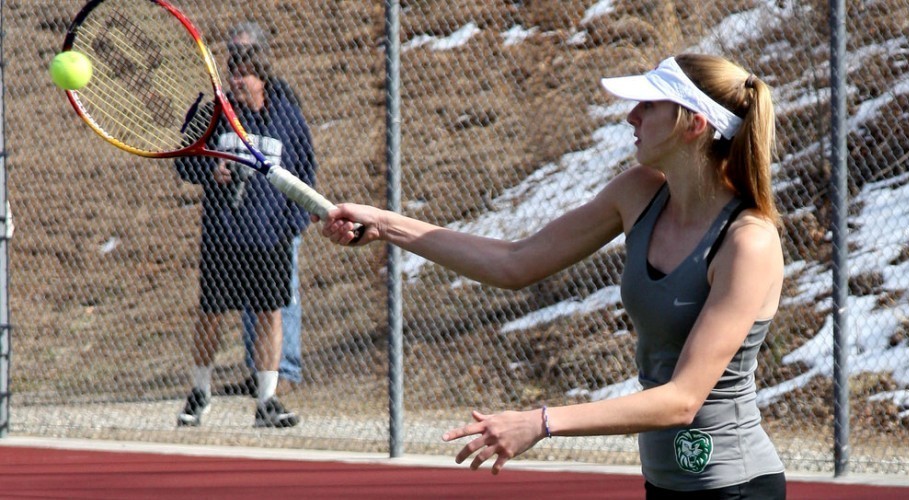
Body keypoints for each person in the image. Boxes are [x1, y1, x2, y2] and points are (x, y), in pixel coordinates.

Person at [321, 54, 786, 497]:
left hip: (736, 488)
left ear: (694, 124)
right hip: (664, 484)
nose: (632, 117)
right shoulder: (639, 193)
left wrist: (540, 422)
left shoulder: (748, 243)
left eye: (649, 105)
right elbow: (516, 263)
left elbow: (682, 399)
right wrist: (386, 225)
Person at [174, 42, 317, 428]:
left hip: (271, 238)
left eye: (244, 74)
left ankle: (267, 402)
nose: (236, 81)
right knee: (211, 315)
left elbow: (305, 172)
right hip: (223, 237)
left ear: (261, 78)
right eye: (232, 73)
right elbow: (183, 162)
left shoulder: (286, 117)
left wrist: (293, 226)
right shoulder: (216, 113)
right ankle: (200, 394)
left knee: (271, 313)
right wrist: (210, 173)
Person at [227, 22, 306, 398]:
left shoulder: (283, 101)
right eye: (234, 56)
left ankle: (284, 370)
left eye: (246, 55)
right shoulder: (227, 108)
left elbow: (302, 161)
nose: (238, 69)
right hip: (244, 223)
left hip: (277, 221)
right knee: (251, 300)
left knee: (281, 299)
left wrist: (296, 217)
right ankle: (258, 371)